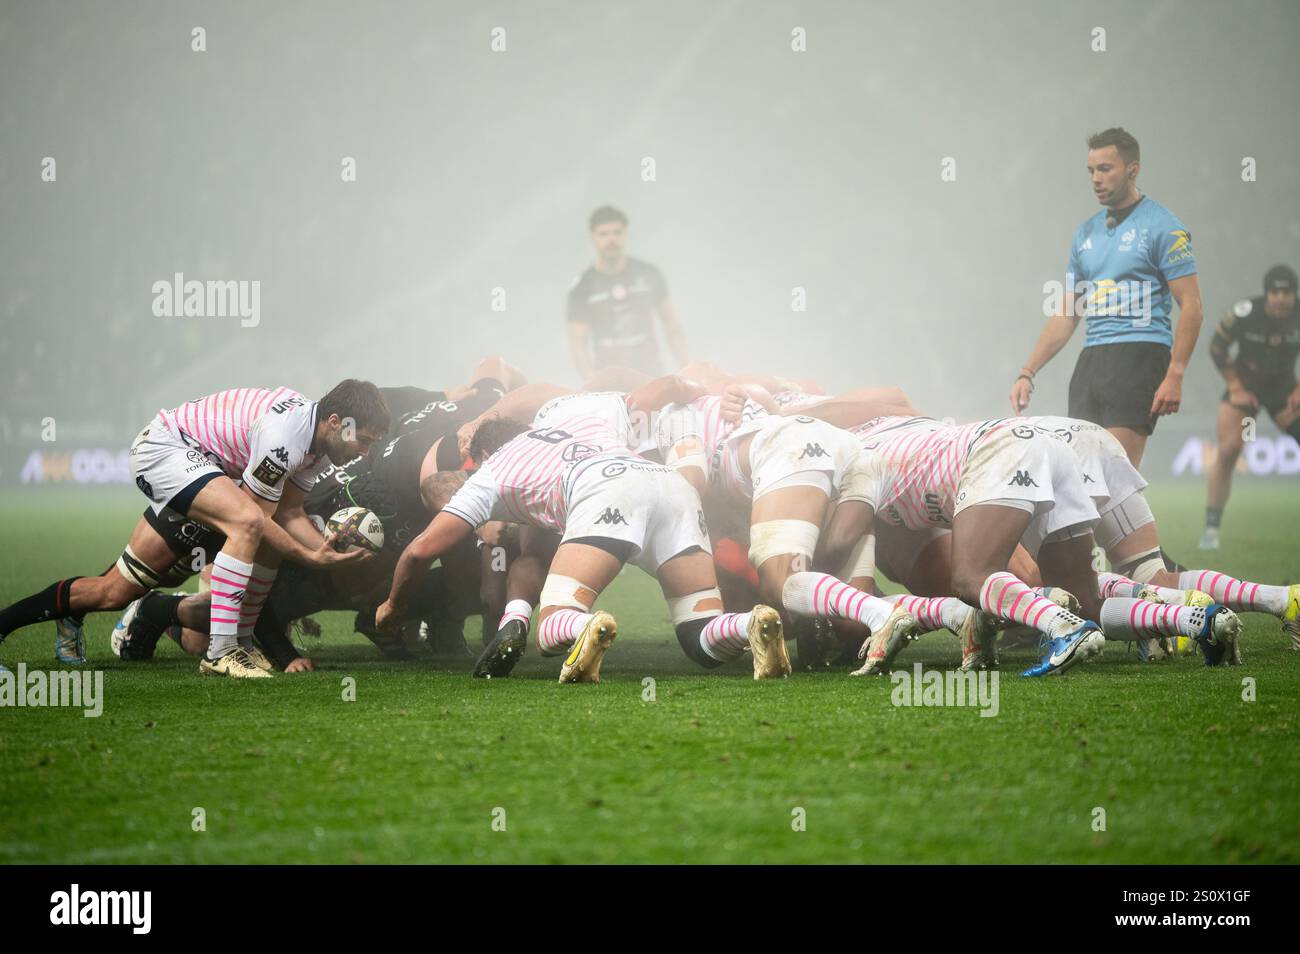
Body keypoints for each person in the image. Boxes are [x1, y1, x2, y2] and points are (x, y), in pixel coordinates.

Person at [0, 382, 390, 677]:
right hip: (166, 451)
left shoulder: (313, 445)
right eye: (364, 441)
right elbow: (256, 519)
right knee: (250, 525)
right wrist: (309, 556)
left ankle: (236, 643)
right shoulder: (284, 440)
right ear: (336, 422)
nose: (365, 452)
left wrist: (326, 552)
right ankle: (221, 653)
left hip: (206, 474)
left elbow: (287, 512)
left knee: (111, 592)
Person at [1010, 128, 1203, 467]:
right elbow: (1068, 313)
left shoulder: (1163, 226)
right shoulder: (1085, 232)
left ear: (1133, 169)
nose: (1096, 179)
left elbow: (1192, 307)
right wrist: (1028, 371)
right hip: (1092, 360)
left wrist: (1175, 373)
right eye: (1091, 170)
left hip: (1140, 354)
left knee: (1115, 480)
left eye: (1105, 168)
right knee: (1080, 479)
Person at [1200, 264, 1300, 550]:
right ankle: (1211, 529)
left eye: (1287, 292)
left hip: (1284, 392)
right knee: (1230, 449)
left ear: (1294, 295)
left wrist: (1298, 388)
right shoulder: (1245, 313)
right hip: (1246, 390)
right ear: (1266, 294)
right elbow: (1216, 347)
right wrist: (1235, 387)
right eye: (1275, 292)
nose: (1281, 298)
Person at [566, 206, 687, 380]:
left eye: (617, 232)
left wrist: (684, 365)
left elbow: (671, 324)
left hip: (650, 372)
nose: (611, 239)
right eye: (604, 234)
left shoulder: (649, 274)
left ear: (625, 233)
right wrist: (590, 383)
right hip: (608, 378)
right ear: (593, 236)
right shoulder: (582, 287)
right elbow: (578, 343)